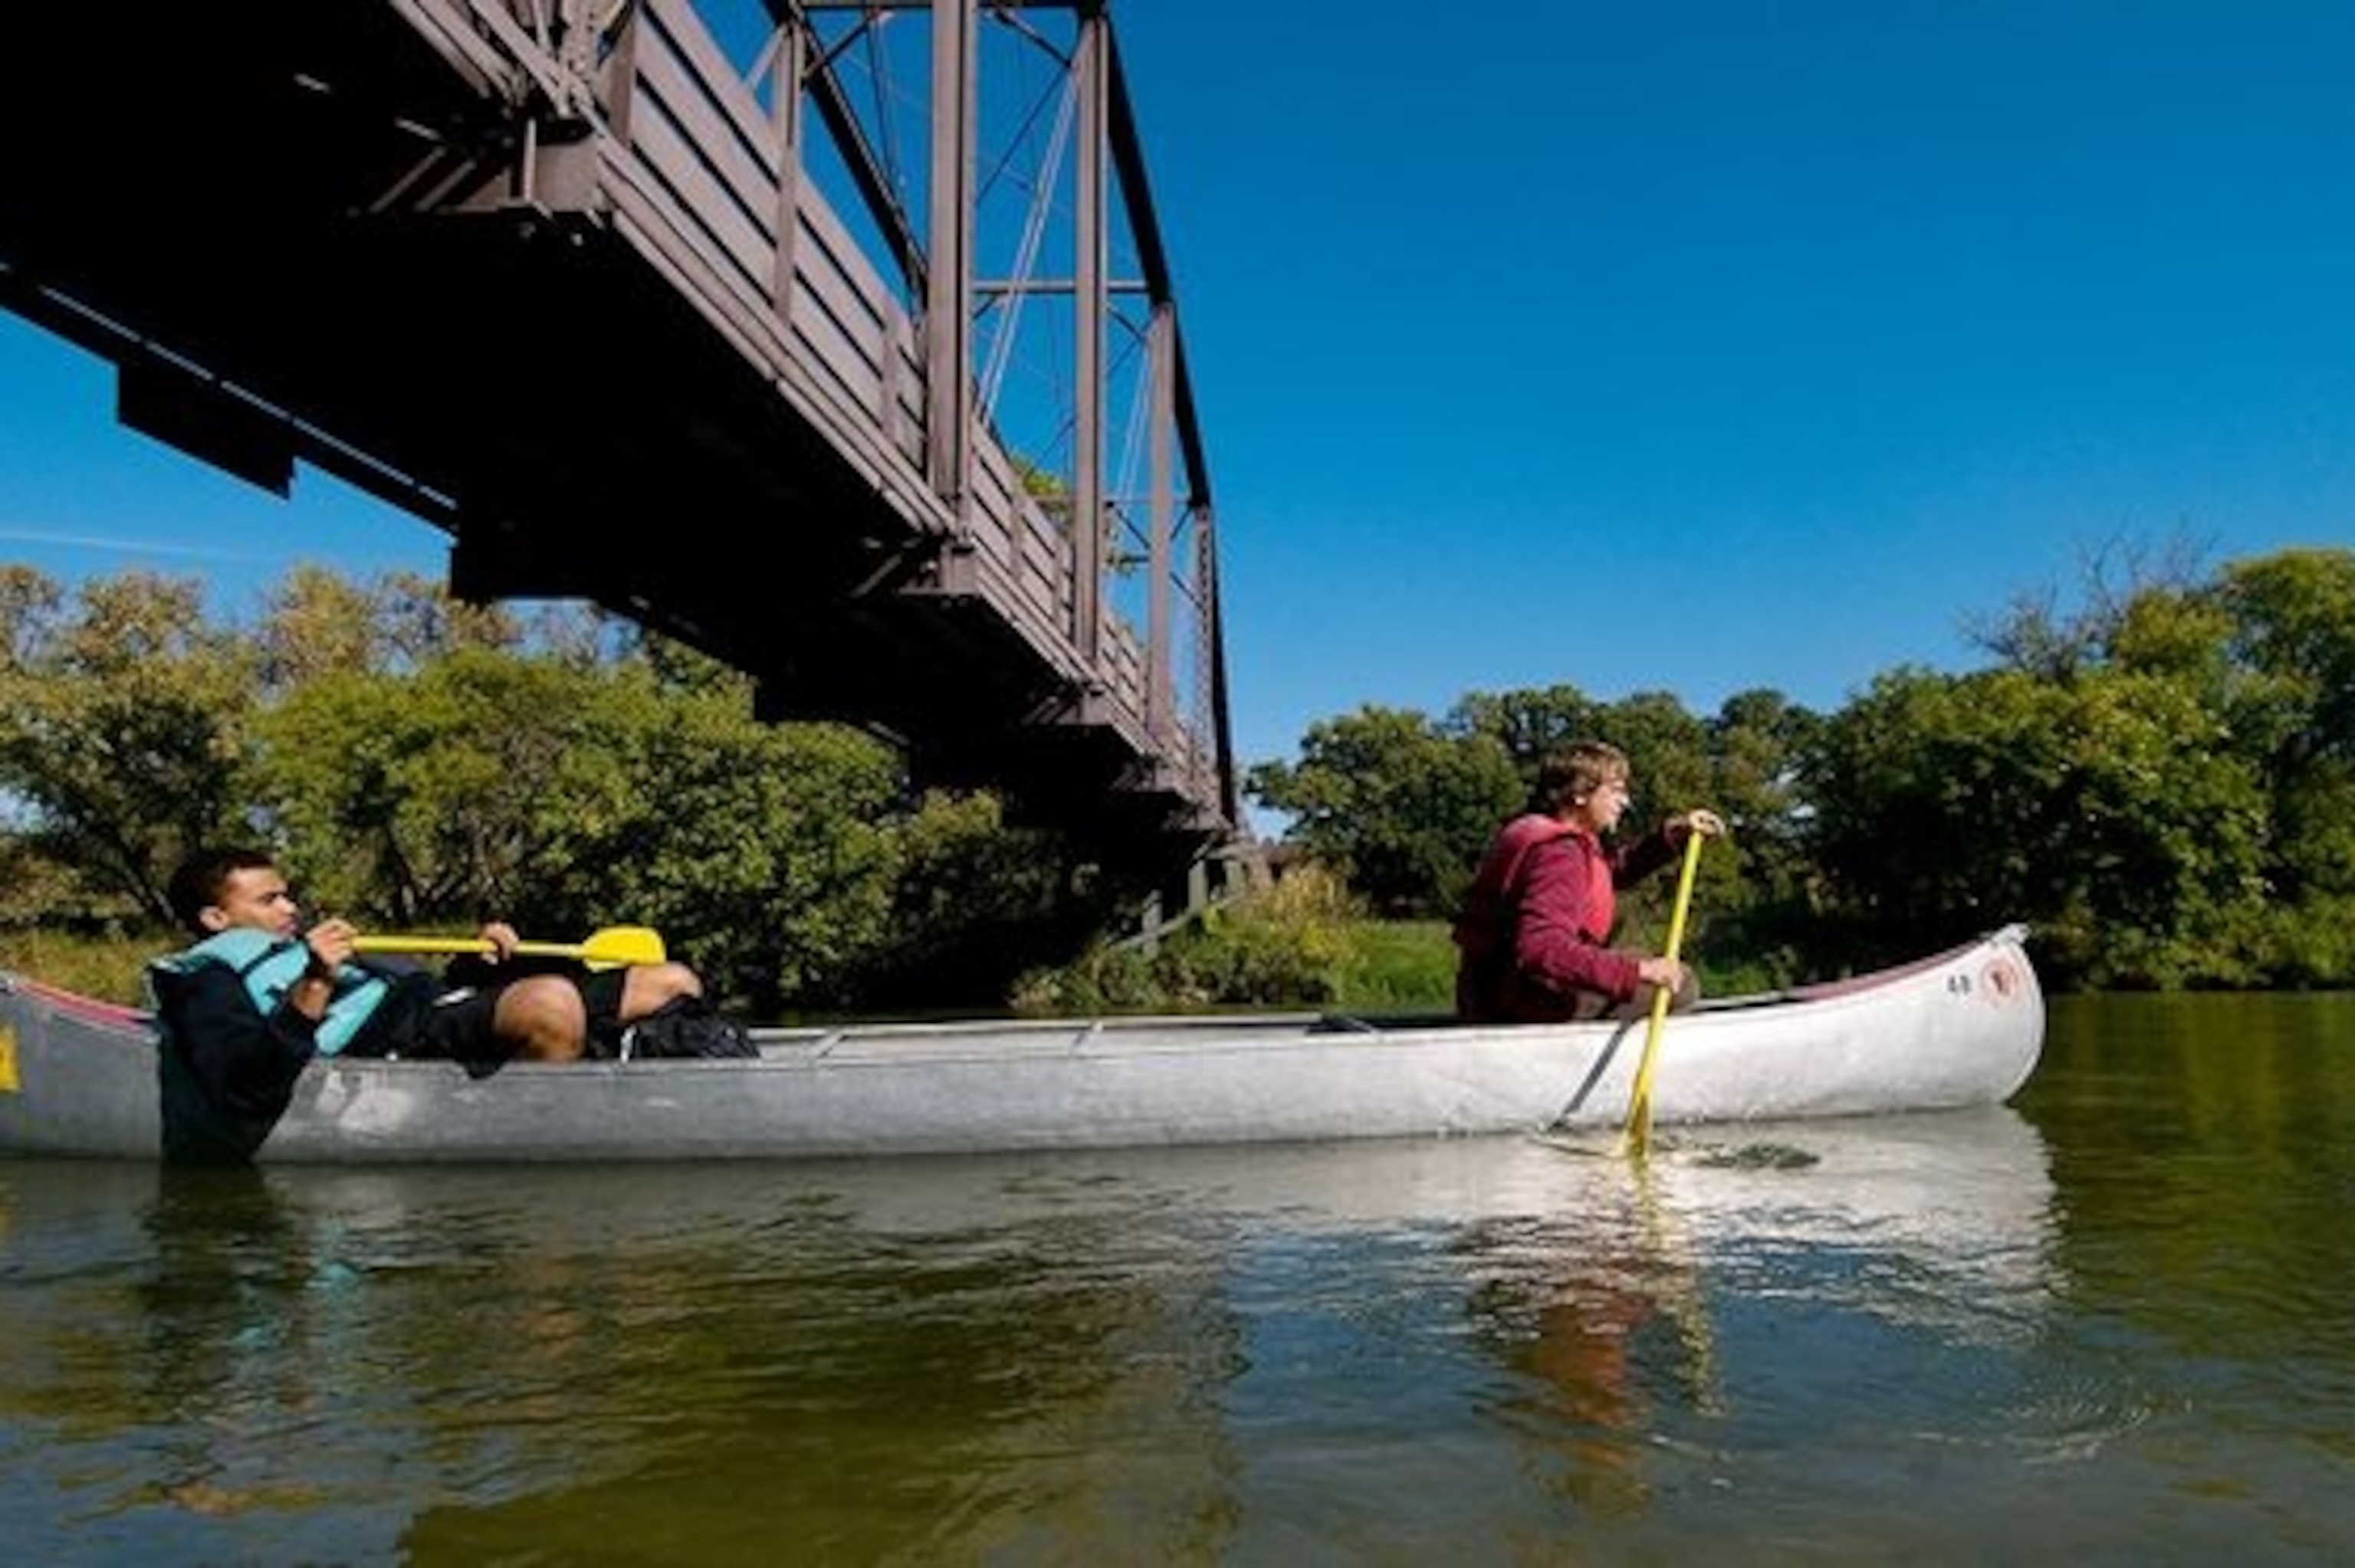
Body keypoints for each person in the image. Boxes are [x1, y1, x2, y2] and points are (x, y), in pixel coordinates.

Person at [149, 845, 705, 1162]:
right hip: (396, 1043)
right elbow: (243, 1088)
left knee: (671, 981)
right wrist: (316, 981)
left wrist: (488, 961)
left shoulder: (292, 945)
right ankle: (551, 1144)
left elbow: (437, 992)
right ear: (214, 920)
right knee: (552, 1003)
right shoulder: (206, 981)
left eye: (287, 893)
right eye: (270, 900)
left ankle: (625, 1057)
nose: (291, 908)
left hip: (435, 1010)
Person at [1452, 740, 1726, 1025]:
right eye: (1616, 791)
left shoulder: (1555, 839)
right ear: (1580, 794)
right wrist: (1637, 973)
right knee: (1682, 984)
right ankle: (1589, 1054)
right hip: (1522, 1001)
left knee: (1650, 965)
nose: (1625, 802)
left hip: (1495, 994)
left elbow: (1610, 872)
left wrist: (1672, 838)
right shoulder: (1560, 853)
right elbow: (1540, 946)